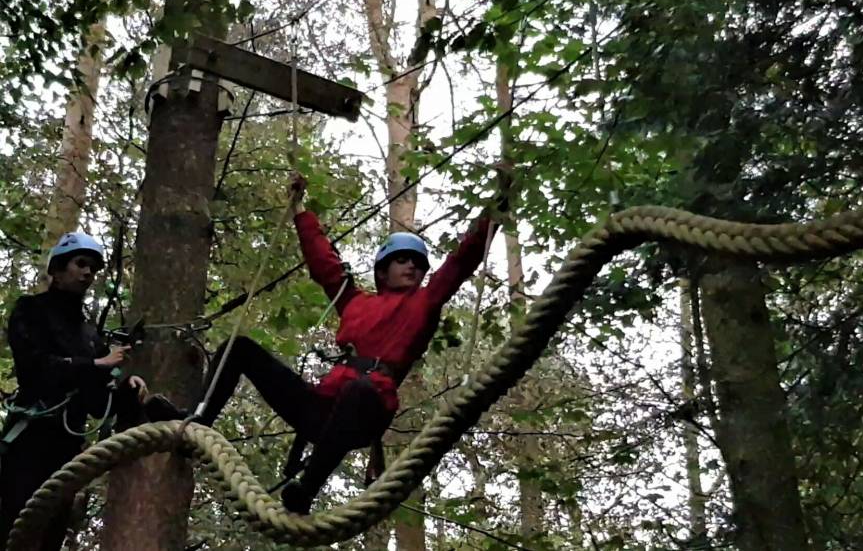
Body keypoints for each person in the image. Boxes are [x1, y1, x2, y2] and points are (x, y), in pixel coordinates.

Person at [157, 172, 511, 514]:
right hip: (322, 407)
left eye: (418, 264)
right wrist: (300, 211)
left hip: (364, 409)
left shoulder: (426, 301)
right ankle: (198, 421)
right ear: (382, 270)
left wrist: (496, 203)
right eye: (401, 260)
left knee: (359, 390)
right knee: (239, 348)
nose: (412, 267)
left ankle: (306, 490)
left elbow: (461, 261)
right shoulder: (355, 302)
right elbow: (323, 263)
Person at [0, 231, 160, 550]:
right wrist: (96, 364)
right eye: (81, 264)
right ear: (57, 270)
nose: (88, 273)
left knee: (50, 534)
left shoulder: (88, 333)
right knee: (11, 526)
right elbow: (35, 369)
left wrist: (127, 386)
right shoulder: (31, 310)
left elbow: (99, 404)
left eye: (93, 269)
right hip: (28, 442)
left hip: (65, 453)